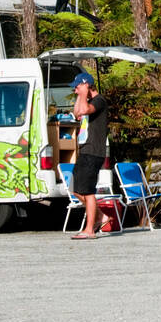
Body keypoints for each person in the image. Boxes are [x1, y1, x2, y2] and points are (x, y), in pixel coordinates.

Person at [68, 72, 109, 240]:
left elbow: (84, 110)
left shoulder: (99, 101)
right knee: (75, 189)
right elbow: (78, 112)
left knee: (88, 191)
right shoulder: (88, 100)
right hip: (85, 150)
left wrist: (84, 93)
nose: (76, 91)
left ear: (86, 86)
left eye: (77, 87)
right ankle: (101, 216)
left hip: (94, 151)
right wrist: (82, 94)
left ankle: (90, 229)